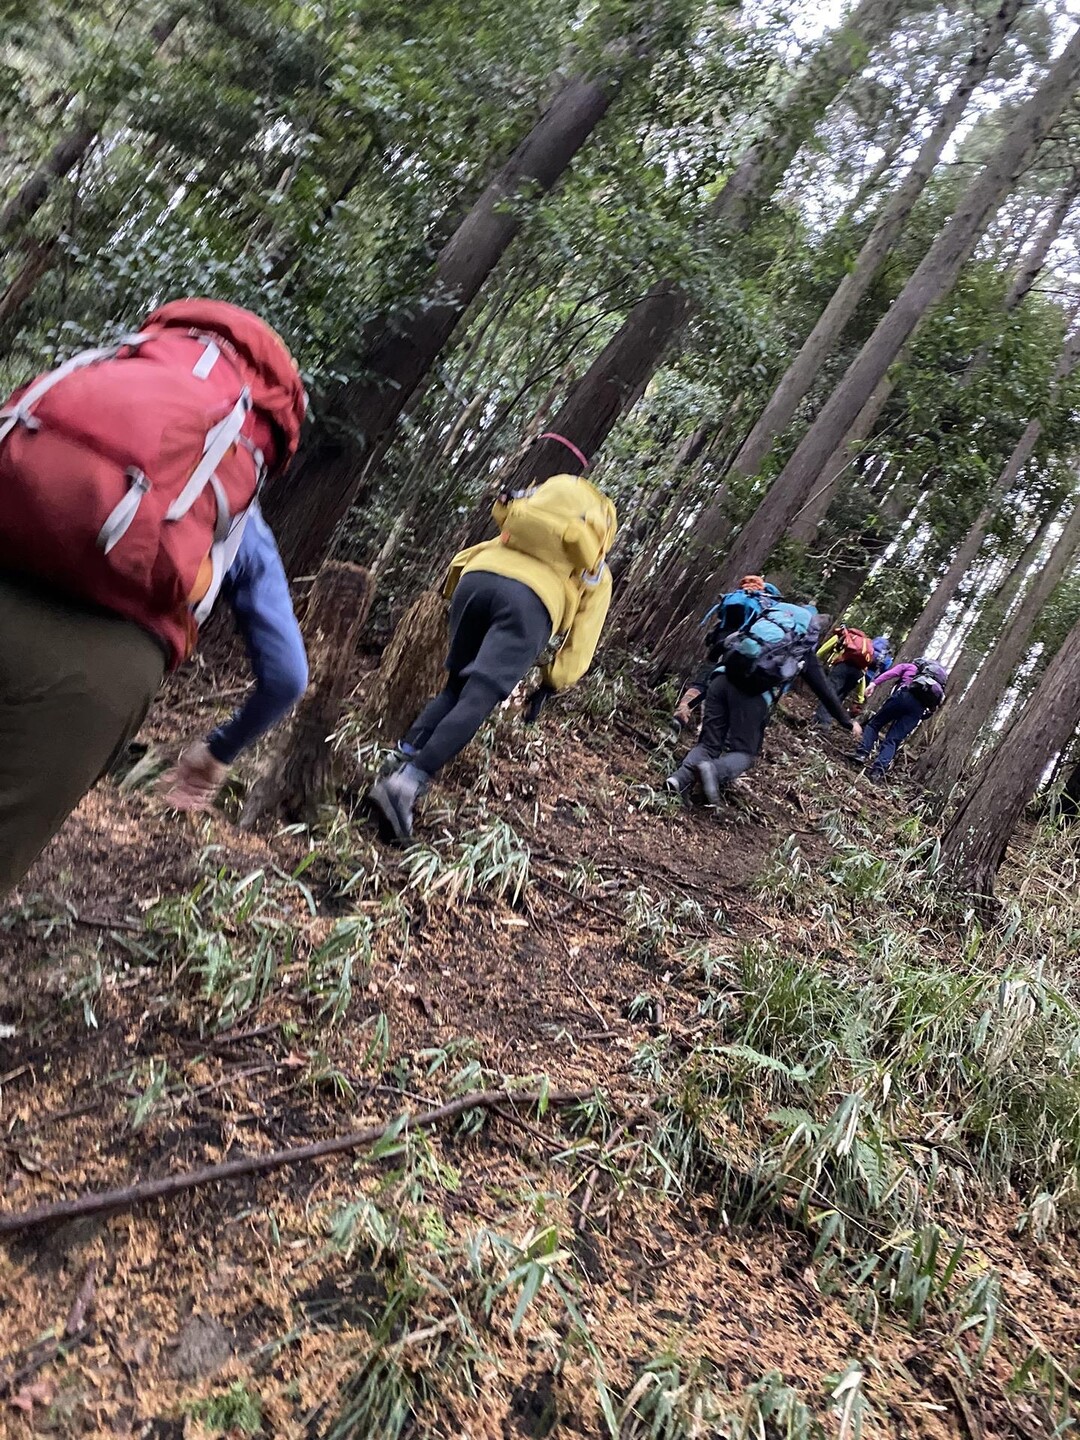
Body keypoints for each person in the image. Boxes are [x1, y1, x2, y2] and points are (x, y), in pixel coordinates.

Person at [0, 298, 308, 895]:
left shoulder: (84, 389)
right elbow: (287, 675)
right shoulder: (231, 513)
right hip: (96, 679)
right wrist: (218, 751)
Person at [369, 469, 617, 843]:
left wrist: (453, 592)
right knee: (478, 698)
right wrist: (553, 681)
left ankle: (396, 763)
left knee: (454, 689)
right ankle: (404, 787)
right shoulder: (594, 567)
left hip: (477, 578)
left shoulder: (527, 521)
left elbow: (472, 554)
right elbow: (583, 637)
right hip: (531, 604)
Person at [666, 598, 862, 804]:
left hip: (721, 680)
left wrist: (713, 661)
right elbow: (825, 691)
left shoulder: (762, 625)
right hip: (753, 697)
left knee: (708, 744)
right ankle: (712, 771)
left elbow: (720, 646)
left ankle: (678, 780)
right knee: (744, 753)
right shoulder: (801, 648)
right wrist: (848, 722)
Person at [673, 577, 783, 731]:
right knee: (719, 685)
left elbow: (720, 618)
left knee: (701, 681)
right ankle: (705, 728)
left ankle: (682, 713)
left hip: (719, 642)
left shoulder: (738, 597)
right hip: (739, 649)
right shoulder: (767, 607)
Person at [856, 656, 947, 780]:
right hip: (918, 709)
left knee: (874, 724)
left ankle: (861, 754)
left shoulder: (909, 667)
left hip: (903, 696)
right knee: (893, 739)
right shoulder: (934, 685)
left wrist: (873, 683)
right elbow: (934, 707)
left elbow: (889, 674)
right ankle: (877, 772)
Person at [814, 623, 877, 728]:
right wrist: (860, 698)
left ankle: (822, 722)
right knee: (839, 696)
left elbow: (824, 649)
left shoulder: (845, 635)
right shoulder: (866, 647)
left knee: (830, 692)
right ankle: (827, 720)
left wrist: (815, 659)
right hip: (857, 673)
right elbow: (863, 672)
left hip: (842, 666)